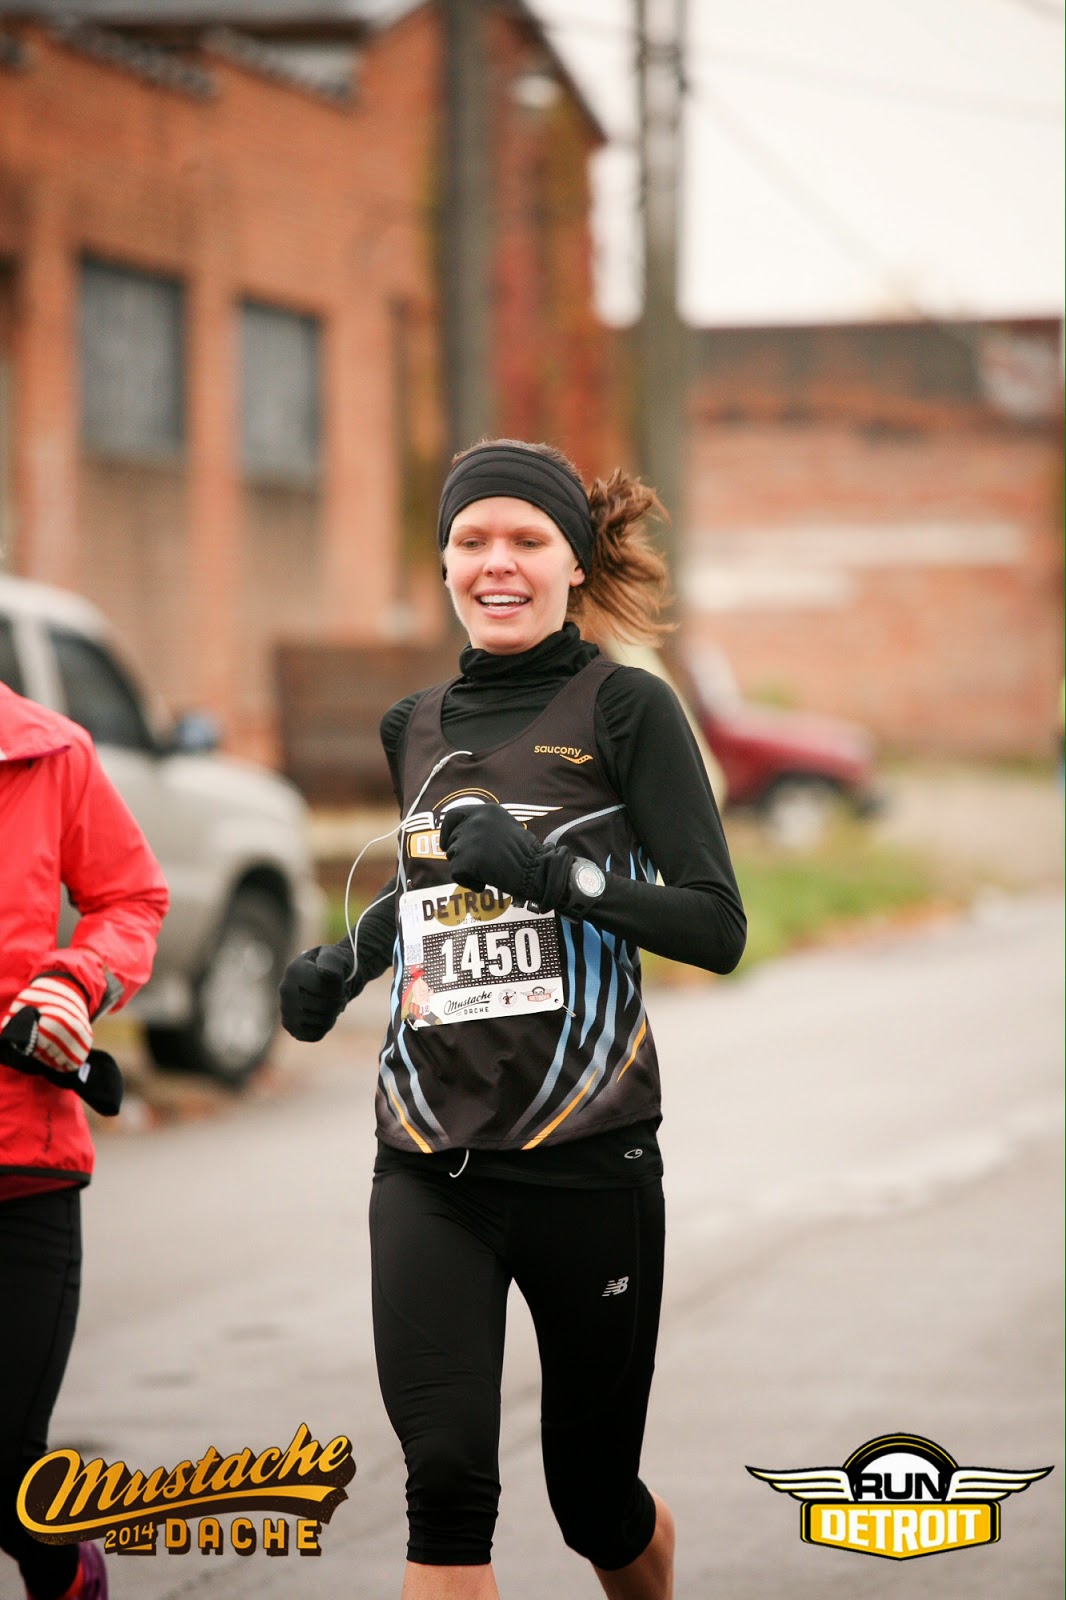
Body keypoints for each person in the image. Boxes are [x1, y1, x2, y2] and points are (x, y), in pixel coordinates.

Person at [280, 439, 746, 1600]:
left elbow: (715, 925)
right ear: (442, 563)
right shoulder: (415, 725)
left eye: (526, 541)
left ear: (571, 563)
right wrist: (347, 962)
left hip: (589, 1163)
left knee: (593, 1498)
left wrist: (557, 875)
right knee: (443, 1490)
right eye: (472, 541)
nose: (498, 562)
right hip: (429, 1157)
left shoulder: (625, 707)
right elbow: (438, 887)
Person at [0, 681, 169, 1600]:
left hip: (20, 1165)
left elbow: (132, 896)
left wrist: (78, 979)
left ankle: (67, 1575)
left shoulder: (49, 754)